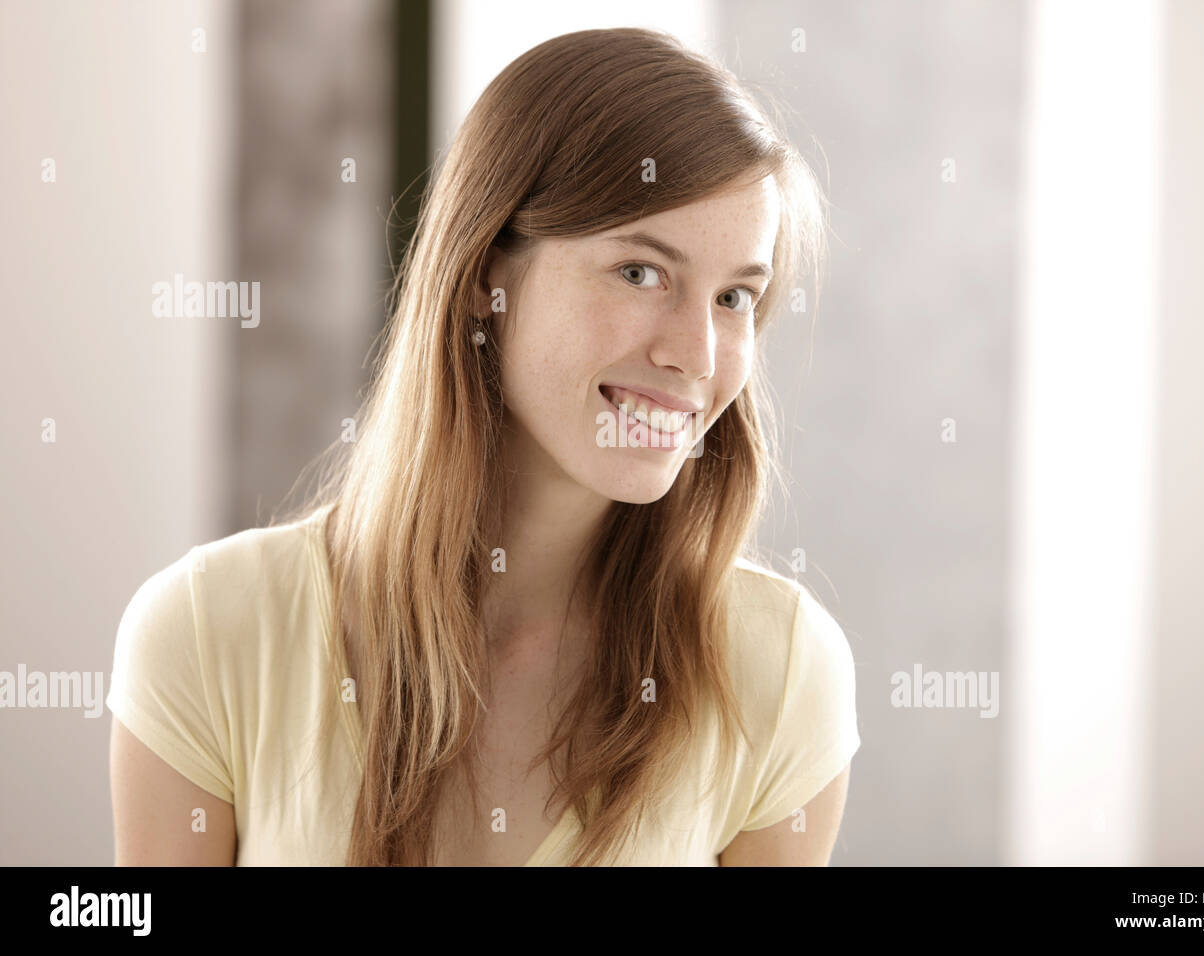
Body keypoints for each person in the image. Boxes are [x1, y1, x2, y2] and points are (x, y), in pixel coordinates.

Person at [108, 26, 859, 866]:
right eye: (640, 273)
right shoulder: (209, 633)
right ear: (483, 277)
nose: (698, 355)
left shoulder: (779, 674)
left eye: (734, 298)